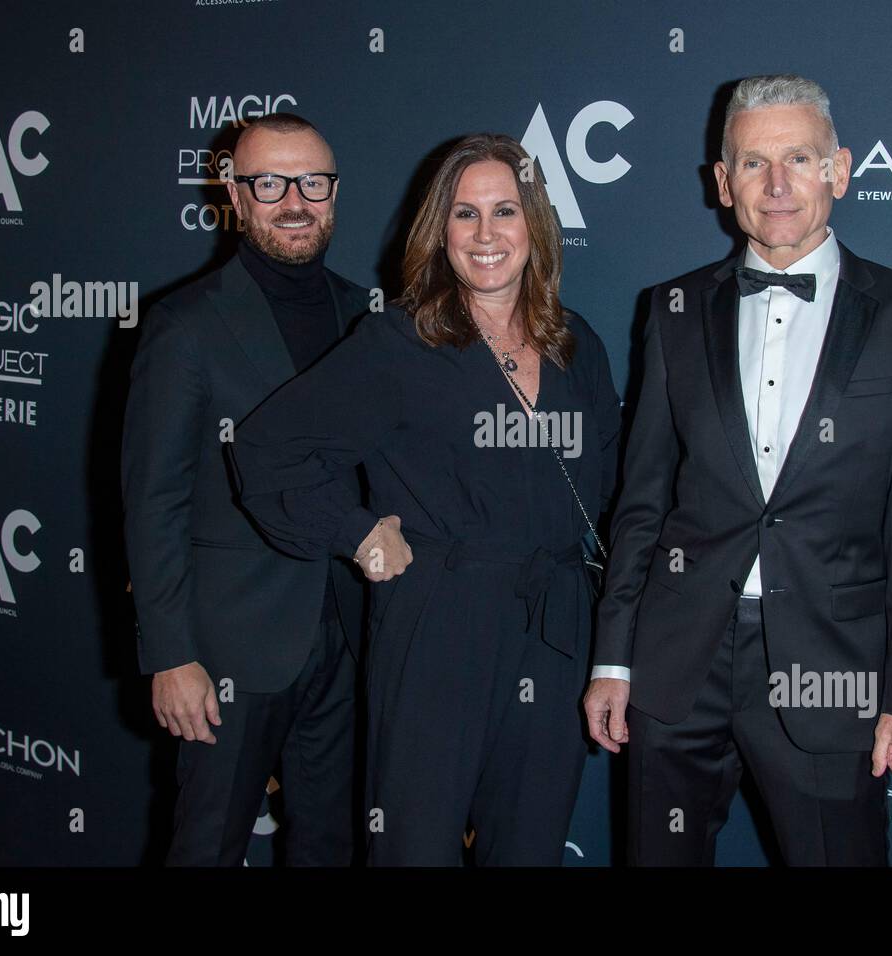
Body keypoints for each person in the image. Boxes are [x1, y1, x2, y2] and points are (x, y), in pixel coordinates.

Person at [584, 74, 892, 866]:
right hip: (674, 662)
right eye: (754, 164)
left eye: (800, 158)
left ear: (840, 170)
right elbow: (642, 499)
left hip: (830, 671)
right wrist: (614, 655)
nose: (779, 185)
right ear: (724, 184)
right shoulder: (672, 309)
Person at [230, 133, 621, 866]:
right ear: (439, 232)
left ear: (535, 225)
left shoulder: (577, 346)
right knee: (414, 846)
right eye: (464, 214)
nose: (485, 234)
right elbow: (266, 450)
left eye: (505, 211)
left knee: (529, 847)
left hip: (557, 629)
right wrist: (355, 531)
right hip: (439, 629)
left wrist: (615, 653)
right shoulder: (400, 344)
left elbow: (614, 495)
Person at [122, 112, 371, 866]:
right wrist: (171, 654)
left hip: (351, 635)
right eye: (270, 182)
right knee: (208, 845)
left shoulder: (368, 315)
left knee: (329, 844)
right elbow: (152, 500)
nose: (294, 199)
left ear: (335, 191)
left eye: (313, 181)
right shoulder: (185, 326)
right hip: (231, 648)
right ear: (233, 192)